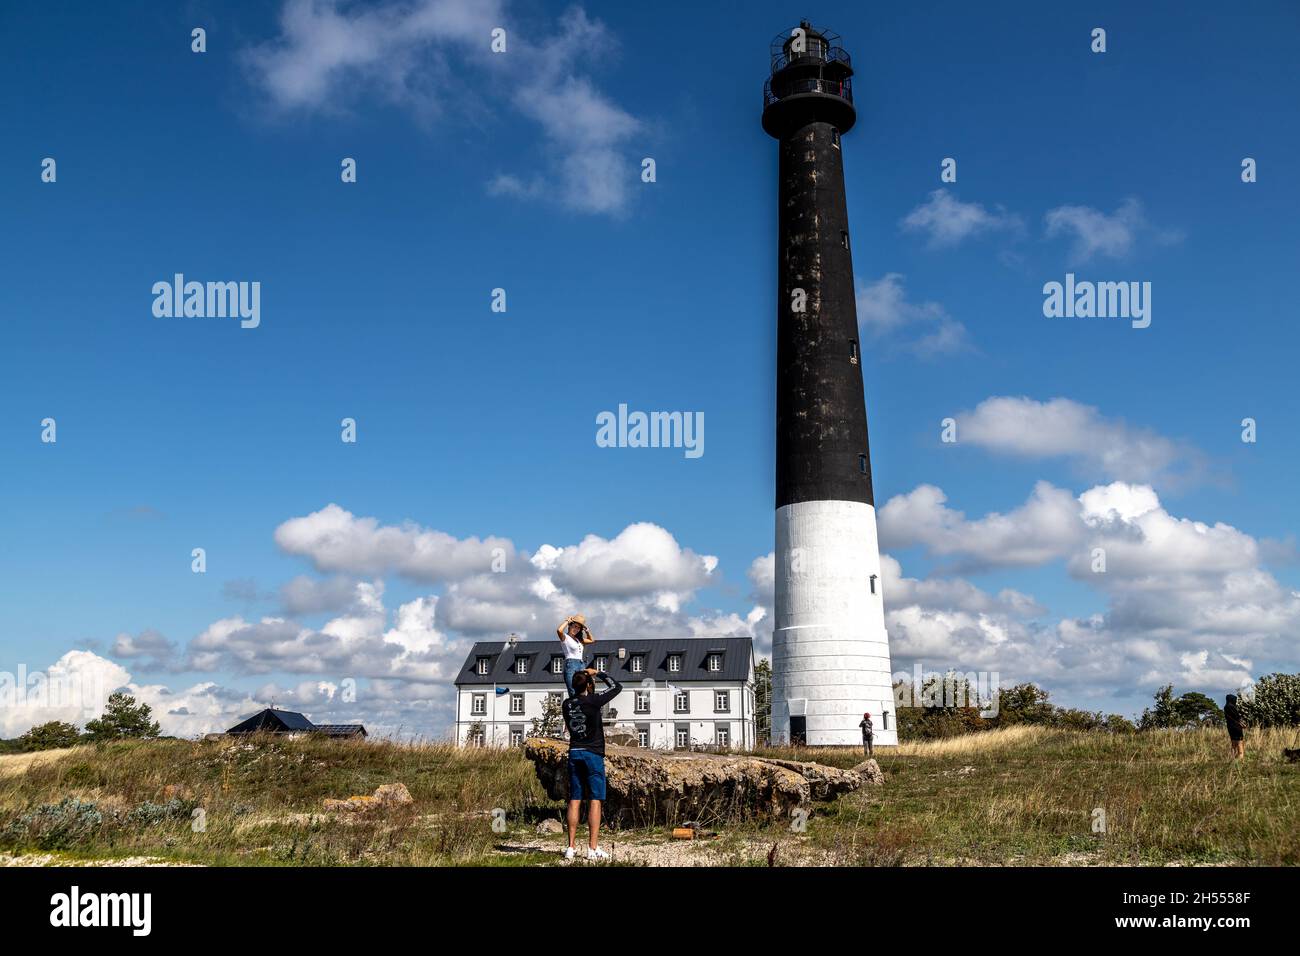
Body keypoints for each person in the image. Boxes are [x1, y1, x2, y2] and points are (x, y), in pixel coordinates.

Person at [561, 667, 622, 861]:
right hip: (593, 753)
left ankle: (570, 848)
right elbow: (616, 687)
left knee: (575, 799)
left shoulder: (566, 704)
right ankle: (592, 848)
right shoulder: (594, 701)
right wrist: (598, 674)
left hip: (574, 752)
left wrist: (586, 680)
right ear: (588, 685)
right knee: (595, 799)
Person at [556, 614, 596, 697]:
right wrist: (567, 621)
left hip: (581, 664)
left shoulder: (579, 640)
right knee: (573, 690)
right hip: (571, 664)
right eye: (574, 626)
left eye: (578, 628)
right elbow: (559, 630)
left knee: (584, 689)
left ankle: (583, 707)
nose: (576, 629)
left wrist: (587, 631)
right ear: (570, 626)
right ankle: (574, 708)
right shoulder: (565, 637)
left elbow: (592, 640)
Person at [1224, 694, 1245, 759]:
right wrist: (1243, 724)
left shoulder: (1226, 707)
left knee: (1233, 743)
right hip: (1236, 727)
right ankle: (1241, 757)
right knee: (1239, 742)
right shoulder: (1232, 707)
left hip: (1229, 726)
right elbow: (1237, 717)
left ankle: (1232, 757)